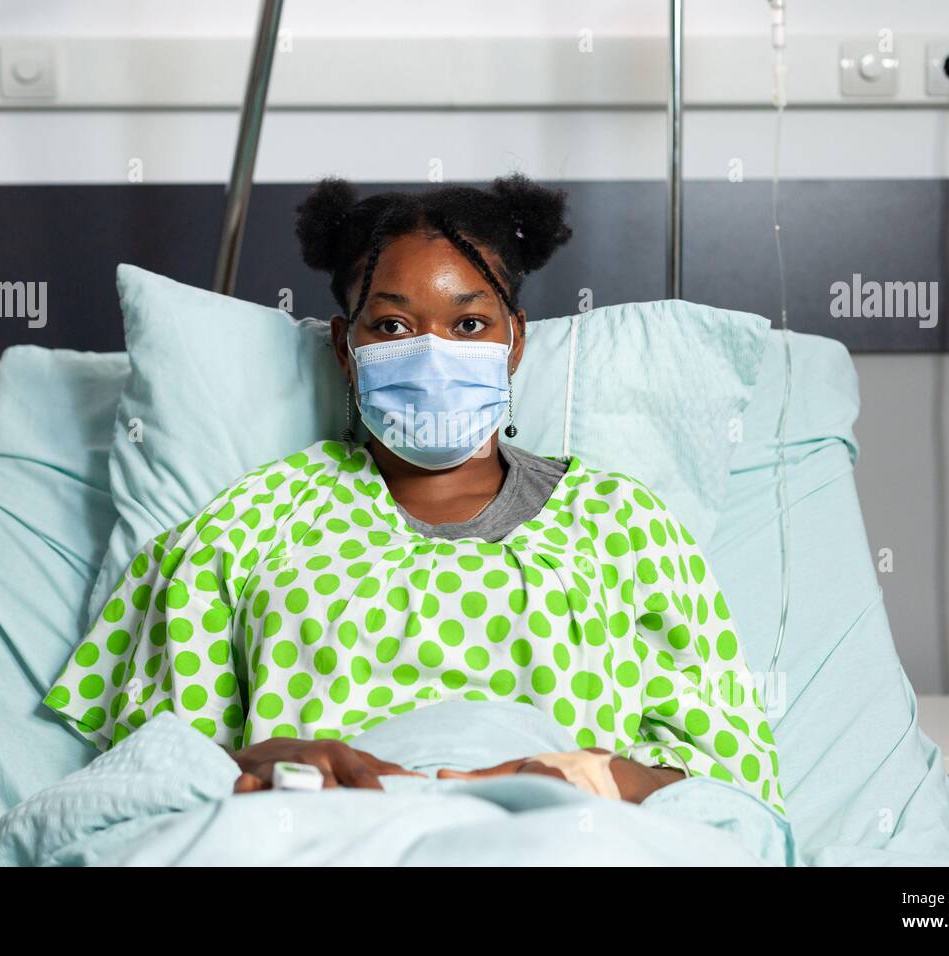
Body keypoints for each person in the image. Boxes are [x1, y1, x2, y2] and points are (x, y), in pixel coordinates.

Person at [45, 174, 785, 814]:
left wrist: (586, 777)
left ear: (514, 341)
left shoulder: (624, 525)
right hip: (322, 835)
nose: (434, 353)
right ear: (345, 346)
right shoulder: (249, 526)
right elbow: (153, 776)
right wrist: (262, 760)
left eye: (469, 323)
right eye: (394, 325)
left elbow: (733, 785)